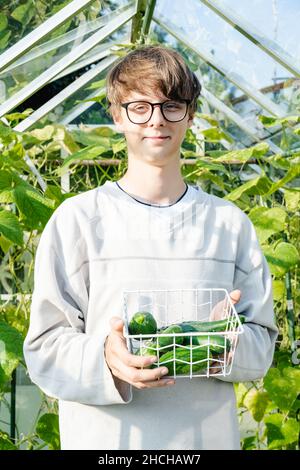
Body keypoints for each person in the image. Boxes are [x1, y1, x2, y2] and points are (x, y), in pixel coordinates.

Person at [23, 45, 278, 450]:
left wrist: (224, 343)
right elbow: (44, 348)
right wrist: (107, 357)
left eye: (171, 105)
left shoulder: (229, 225)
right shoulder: (78, 221)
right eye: (139, 106)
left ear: (190, 115)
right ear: (117, 115)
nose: (156, 119)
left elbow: (262, 344)